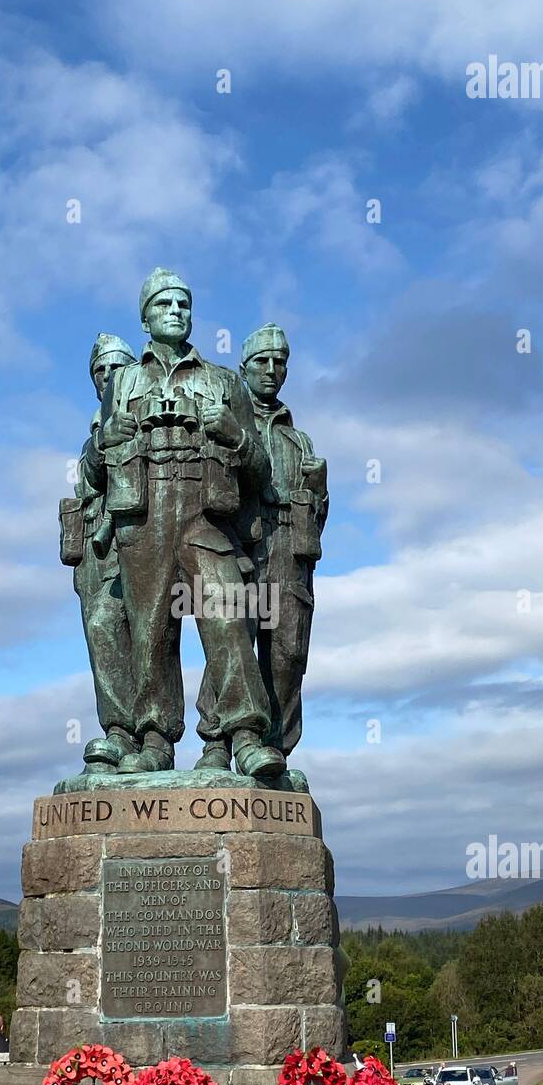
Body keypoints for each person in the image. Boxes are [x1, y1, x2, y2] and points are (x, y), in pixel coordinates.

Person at [92, 268, 283, 779]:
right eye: (164, 304)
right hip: (143, 518)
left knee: (227, 616)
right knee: (150, 634)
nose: (175, 312)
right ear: (145, 318)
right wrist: (106, 439)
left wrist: (236, 436)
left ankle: (244, 736)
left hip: (205, 516)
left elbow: (261, 470)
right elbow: (92, 472)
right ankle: (155, 740)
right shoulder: (123, 382)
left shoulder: (223, 381)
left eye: (183, 304)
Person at [196, 324, 327, 767]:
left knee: (289, 652)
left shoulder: (298, 439)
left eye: (280, 362)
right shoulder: (226, 422)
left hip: (290, 549)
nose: (272, 369)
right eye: (262, 361)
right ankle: (218, 742)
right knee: (232, 637)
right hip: (243, 542)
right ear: (243, 368)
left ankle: (273, 749)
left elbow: (320, 513)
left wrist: (318, 489)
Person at [59, 333, 138, 770]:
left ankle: (145, 733)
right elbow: (87, 480)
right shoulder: (96, 427)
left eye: (115, 367)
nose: (107, 376)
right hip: (94, 545)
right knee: (101, 634)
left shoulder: (141, 415)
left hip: (137, 536)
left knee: (132, 632)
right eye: (99, 370)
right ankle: (120, 733)